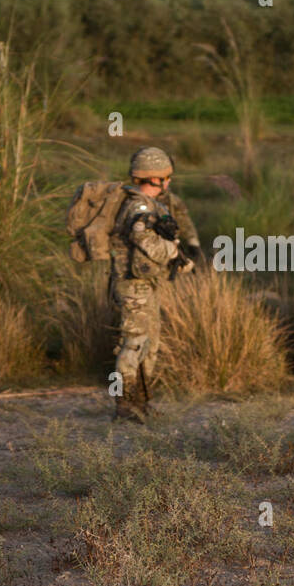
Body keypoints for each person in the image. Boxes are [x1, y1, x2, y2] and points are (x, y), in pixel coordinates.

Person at [108, 147, 194, 422]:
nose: (169, 182)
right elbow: (144, 241)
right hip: (133, 286)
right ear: (156, 178)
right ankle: (125, 406)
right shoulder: (140, 206)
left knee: (149, 345)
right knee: (133, 343)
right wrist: (173, 253)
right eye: (166, 177)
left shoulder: (150, 203)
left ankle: (141, 404)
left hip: (146, 285)